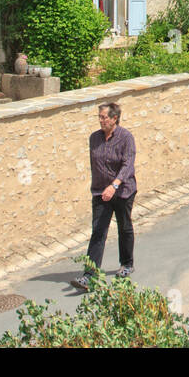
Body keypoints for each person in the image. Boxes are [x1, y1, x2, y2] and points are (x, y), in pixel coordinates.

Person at [73, 101, 137, 290]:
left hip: (123, 190)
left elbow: (128, 164)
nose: (101, 120)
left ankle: (127, 263)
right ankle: (89, 275)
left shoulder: (126, 137)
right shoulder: (94, 138)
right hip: (101, 192)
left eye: (104, 117)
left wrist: (114, 185)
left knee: (124, 227)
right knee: (98, 232)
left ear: (114, 118)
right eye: (99, 117)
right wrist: (102, 189)